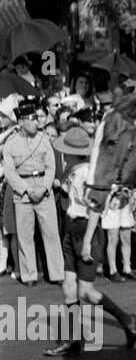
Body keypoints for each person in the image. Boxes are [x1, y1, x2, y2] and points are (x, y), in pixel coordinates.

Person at [43, 123, 136, 356]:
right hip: (71, 226)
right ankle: (75, 340)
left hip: (86, 229)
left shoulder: (88, 173)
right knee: (68, 287)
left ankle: (127, 320)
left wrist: (87, 240)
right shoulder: (74, 170)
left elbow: (95, 209)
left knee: (85, 291)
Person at [2, 97, 65, 284]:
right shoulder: (11, 144)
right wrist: (28, 190)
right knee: (25, 235)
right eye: (30, 118)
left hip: (43, 190)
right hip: (23, 192)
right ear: (21, 122)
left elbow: (51, 166)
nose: (35, 122)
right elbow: (9, 172)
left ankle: (57, 274)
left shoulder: (44, 140)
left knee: (51, 233)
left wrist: (44, 187)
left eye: (35, 118)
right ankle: (29, 274)